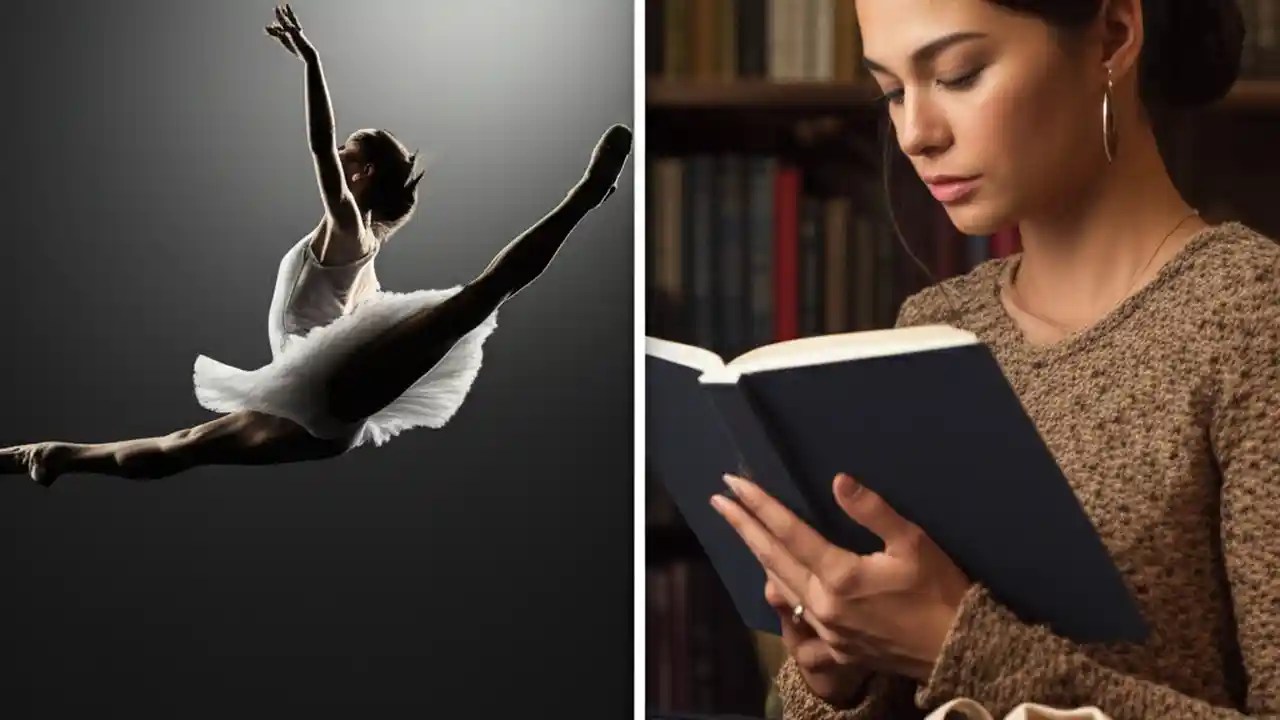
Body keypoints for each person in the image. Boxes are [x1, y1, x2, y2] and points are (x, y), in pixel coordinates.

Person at [708, 0, 1277, 718]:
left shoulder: (1253, 320)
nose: (916, 134)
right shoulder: (935, 326)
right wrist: (838, 677)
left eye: (959, 74)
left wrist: (952, 644)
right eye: (891, 91)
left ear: (1113, 35)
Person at [0, 5, 632, 487]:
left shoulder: (350, 229)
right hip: (312, 412)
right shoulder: (359, 237)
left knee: (478, 299)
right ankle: (54, 456)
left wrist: (310, 62)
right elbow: (327, 152)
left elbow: (317, 142)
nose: (335, 155)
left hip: (335, 384)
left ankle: (584, 195)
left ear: (359, 177)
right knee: (182, 445)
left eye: (346, 154)